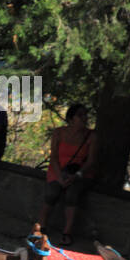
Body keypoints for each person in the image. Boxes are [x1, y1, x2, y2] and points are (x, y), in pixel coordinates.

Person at [36, 103, 97, 245]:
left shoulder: (91, 136)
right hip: (59, 170)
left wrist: (77, 175)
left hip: (80, 173)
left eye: (85, 115)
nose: (84, 118)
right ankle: (40, 227)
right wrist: (59, 176)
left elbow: (91, 161)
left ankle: (67, 232)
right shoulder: (58, 133)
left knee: (72, 194)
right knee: (52, 192)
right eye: (80, 115)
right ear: (71, 118)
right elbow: (54, 157)